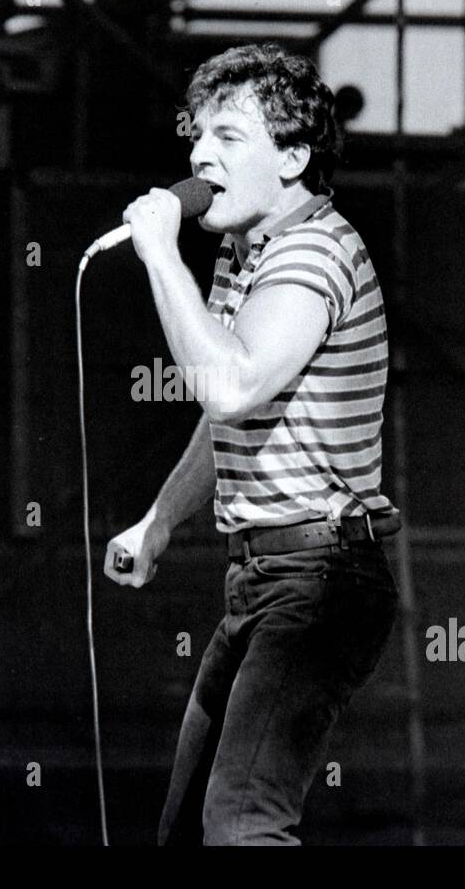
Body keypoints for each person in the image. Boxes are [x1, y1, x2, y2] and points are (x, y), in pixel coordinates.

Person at [104, 42, 402, 846]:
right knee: (186, 833)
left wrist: (160, 252)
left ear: (295, 156)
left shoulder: (314, 252)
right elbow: (231, 415)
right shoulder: (247, 256)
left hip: (320, 577)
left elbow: (229, 384)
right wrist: (161, 520)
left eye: (229, 137)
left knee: (243, 826)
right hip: (264, 576)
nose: (200, 154)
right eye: (196, 136)